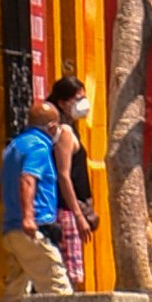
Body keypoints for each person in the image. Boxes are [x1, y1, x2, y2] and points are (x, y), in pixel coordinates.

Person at [0, 96, 68, 302]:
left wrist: (13, 213)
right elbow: (27, 180)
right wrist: (29, 217)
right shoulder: (39, 148)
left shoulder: (14, 147)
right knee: (57, 284)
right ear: (52, 126)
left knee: (14, 290)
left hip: (11, 229)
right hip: (31, 229)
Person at [49, 76, 97, 290]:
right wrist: (78, 214)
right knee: (71, 274)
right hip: (68, 211)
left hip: (74, 208)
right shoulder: (65, 132)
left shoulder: (71, 128)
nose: (82, 104)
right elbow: (64, 174)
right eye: (77, 99)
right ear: (62, 103)